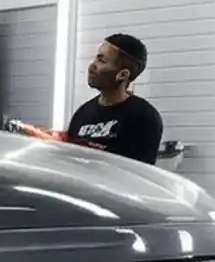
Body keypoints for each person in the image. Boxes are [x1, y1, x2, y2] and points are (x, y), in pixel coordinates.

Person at [66, 33, 163, 165]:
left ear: (122, 75)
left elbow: (138, 172)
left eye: (102, 61)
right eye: (95, 58)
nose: (92, 66)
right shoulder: (82, 114)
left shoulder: (144, 118)